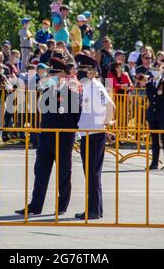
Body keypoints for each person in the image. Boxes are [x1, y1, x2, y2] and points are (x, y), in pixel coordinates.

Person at [15, 59, 81, 216]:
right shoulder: (47, 88)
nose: (50, 76)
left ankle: (62, 206)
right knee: (40, 171)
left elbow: (75, 115)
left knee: (64, 173)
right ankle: (35, 206)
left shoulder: (71, 91)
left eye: (54, 73)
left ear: (63, 75)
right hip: (46, 135)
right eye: (50, 73)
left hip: (63, 136)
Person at [75, 55, 115, 220]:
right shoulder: (85, 87)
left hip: (95, 134)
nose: (79, 74)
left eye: (83, 71)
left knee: (93, 174)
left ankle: (94, 210)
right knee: (90, 174)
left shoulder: (96, 87)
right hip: (87, 134)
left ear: (91, 73)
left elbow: (110, 105)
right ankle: (94, 209)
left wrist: (105, 125)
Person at [146, 62, 164, 171]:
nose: (156, 71)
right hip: (153, 114)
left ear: (161, 70)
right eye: (154, 69)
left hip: (162, 115)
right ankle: (154, 163)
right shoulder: (149, 84)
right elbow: (150, 99)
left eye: (158, 69)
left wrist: (163, 110)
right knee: (154, 139)